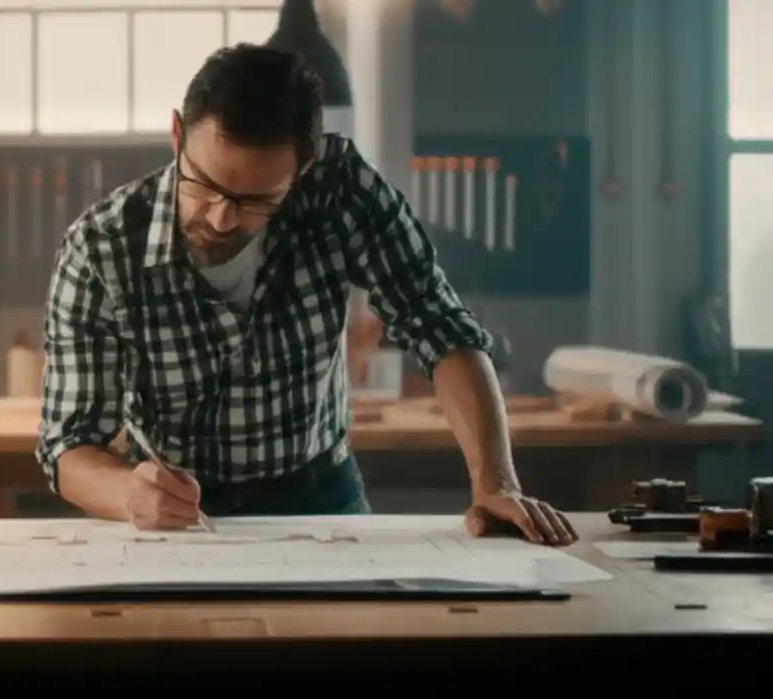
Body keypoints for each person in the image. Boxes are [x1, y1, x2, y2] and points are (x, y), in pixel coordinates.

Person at [33, 43, 576, 547]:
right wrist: (130, 492)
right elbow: (68, 445)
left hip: (319, 494)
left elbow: (440, 327)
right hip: (169, 510)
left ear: (304, 168)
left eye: (255, 200)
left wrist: (495, 481)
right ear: (177, 135)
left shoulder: (342, 192)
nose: (222, 218)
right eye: (205, 185)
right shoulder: (100, 247)